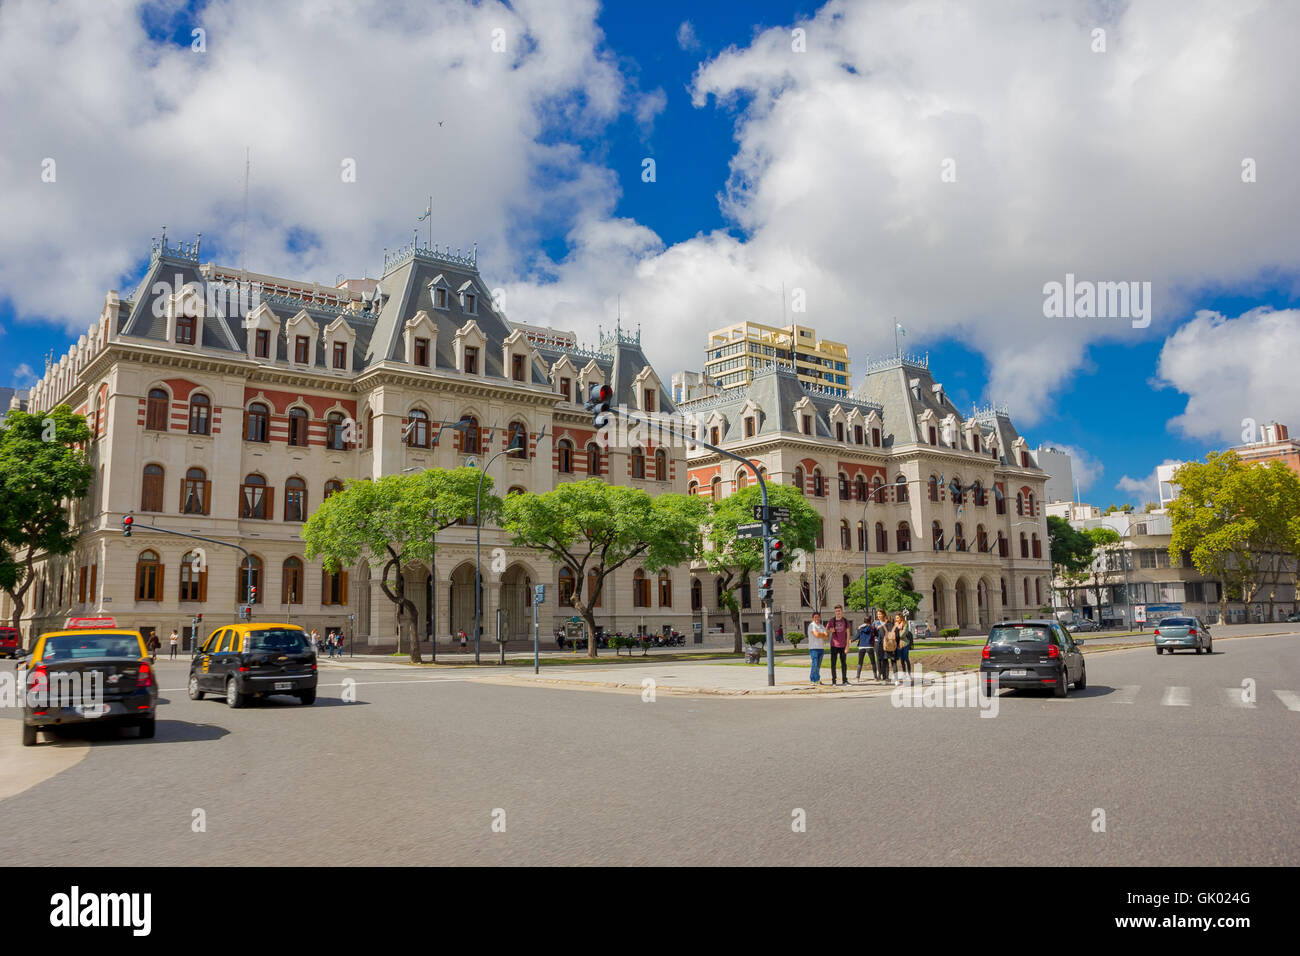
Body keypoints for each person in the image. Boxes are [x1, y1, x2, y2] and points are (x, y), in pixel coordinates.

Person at [827, 604, 852, 685]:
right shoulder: (832, 620)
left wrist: (847, 646)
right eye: (836, 611)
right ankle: (834, 681)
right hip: (834, 645)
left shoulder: (845, 621)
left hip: (843, 645)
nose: (838, 612)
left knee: (843, 663)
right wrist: (831, 630)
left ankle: (844, 680)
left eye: (839, 611)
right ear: (835, 612)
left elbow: (848, 634)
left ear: (842, 611)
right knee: (833, 663)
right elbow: (826, 630)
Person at [855, 612, 879, 681]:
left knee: (860, 662)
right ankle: (875, 677)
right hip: (869, 646)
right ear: (870, 620)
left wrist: (852, 640)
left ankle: (857, 677)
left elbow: (857, 636)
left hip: (861, 646)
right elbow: (877, 634)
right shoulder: (872, 628)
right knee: (873, 662)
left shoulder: (860, 628)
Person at [806, 612, 828, 685]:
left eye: (818, 617)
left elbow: (826, 636)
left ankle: (817, 679)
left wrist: (820, 634)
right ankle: (812, 680)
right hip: (813, 648)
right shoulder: (811, 625)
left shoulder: (821, 626)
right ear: (813, 618)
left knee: (818, 665)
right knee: (814, 664)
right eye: (815, 617)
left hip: (821, 648)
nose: (817, 619)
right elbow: (816, 634)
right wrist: (822, 634)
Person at [893, 612, 915, 683]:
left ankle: (909, 674)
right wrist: (896, 628)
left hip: (905, 644)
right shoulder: (896, 625)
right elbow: (893, 634)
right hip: (899, 645)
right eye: (896, 618)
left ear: (901, 618)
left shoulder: (905, 625)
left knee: (906, 659)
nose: (896, 619)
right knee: (902, 660)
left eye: (897, 618)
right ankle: (904, 674)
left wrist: (898, 628)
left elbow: (902, 635)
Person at [880, 613, 897, 683]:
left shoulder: (883, 627)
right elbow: (897, 636)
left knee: (885, 662)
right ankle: (896, 678)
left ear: (885, 619)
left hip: (885, 647)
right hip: (893, 647)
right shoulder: (894, 627)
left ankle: (885, 677)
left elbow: (881, 636)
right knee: (893, 662)